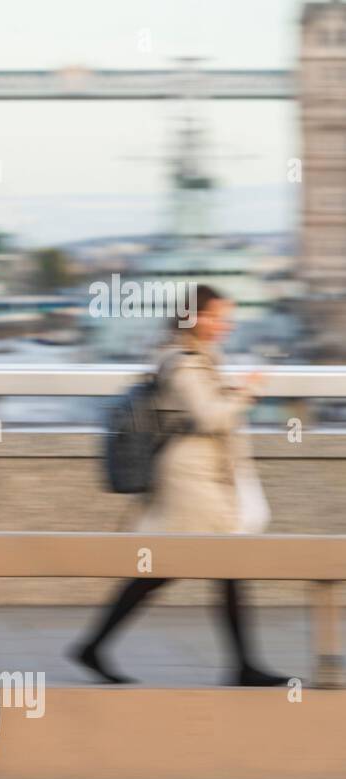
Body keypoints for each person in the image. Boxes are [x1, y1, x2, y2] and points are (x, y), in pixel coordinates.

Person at [71, 284, 288, 687]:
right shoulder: (183, 362)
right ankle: (243, 664)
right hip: (189, 481)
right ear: (196, 317)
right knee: (220, 566)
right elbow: (210, 417)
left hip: (202, 478)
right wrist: (249, 392)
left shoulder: (198, 358)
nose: (226, 324)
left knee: (165, 570)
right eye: (219, 316)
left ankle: (94, 645)